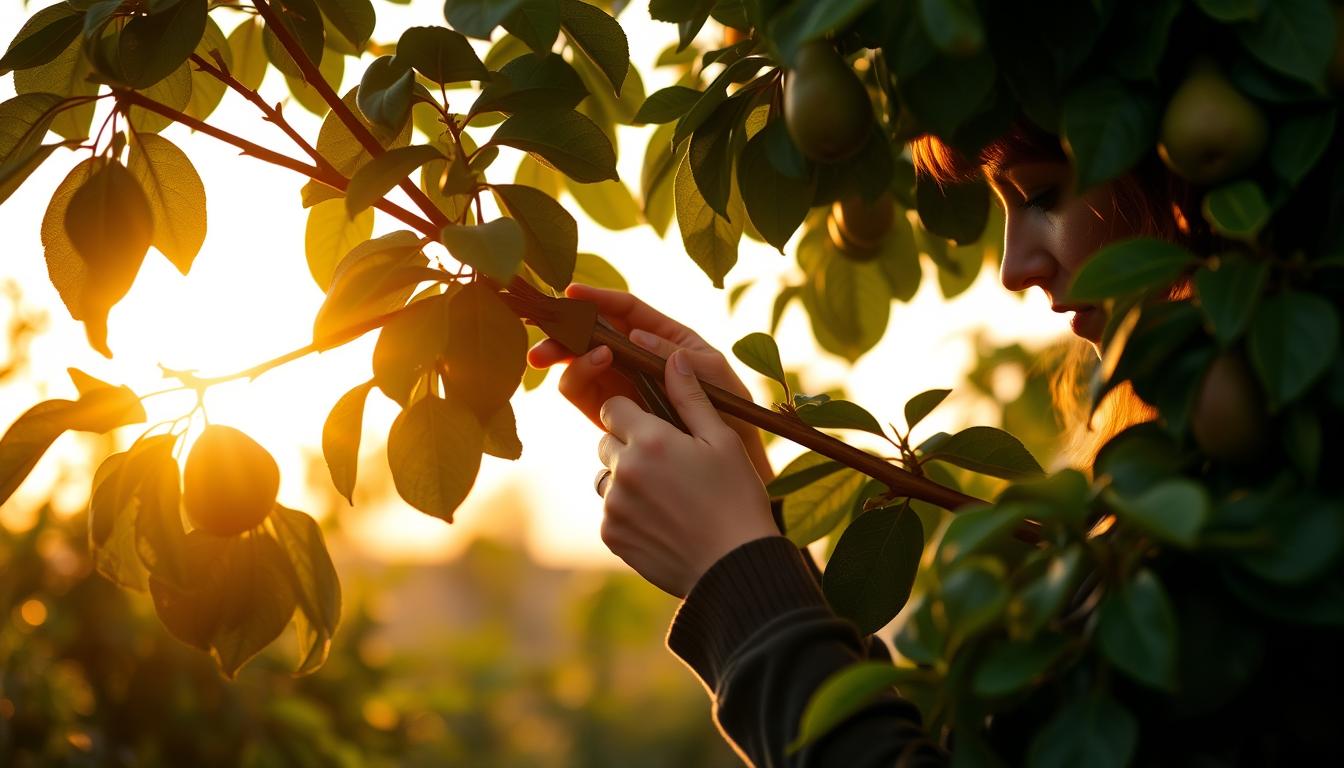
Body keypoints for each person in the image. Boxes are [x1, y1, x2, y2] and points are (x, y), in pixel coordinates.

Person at [525, 121, 1209, 765]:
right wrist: (763, 520)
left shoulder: (1231, 524)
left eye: (1039, 195)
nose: (1011, 268)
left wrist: (734, 573)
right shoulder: (1165, 489)